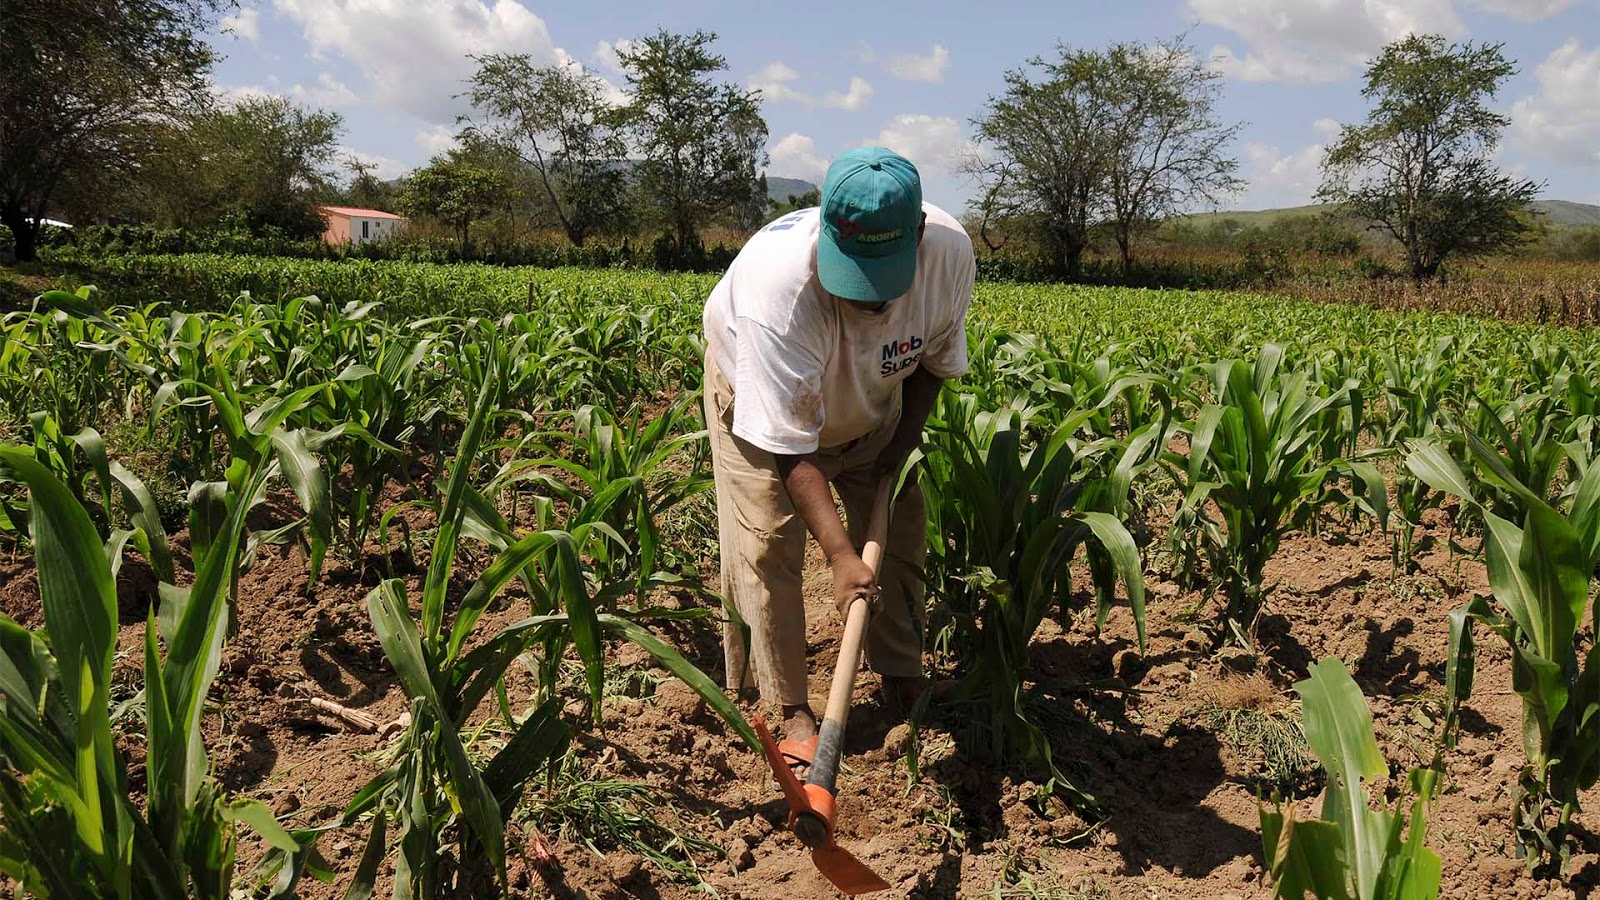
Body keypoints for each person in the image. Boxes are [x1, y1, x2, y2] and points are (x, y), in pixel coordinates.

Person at [701, 146, 975, 765]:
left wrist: (898, 450)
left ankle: (902, 673)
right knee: (768, 543)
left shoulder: (950, 254)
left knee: (901, 524)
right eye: (855, 276)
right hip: (762, 404)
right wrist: (841, 556)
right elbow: (789, 448)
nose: (869, 302)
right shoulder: (780, 290)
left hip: (876, 401)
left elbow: (932, 361)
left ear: (920, 236)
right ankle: (788, 707)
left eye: (882, 279)